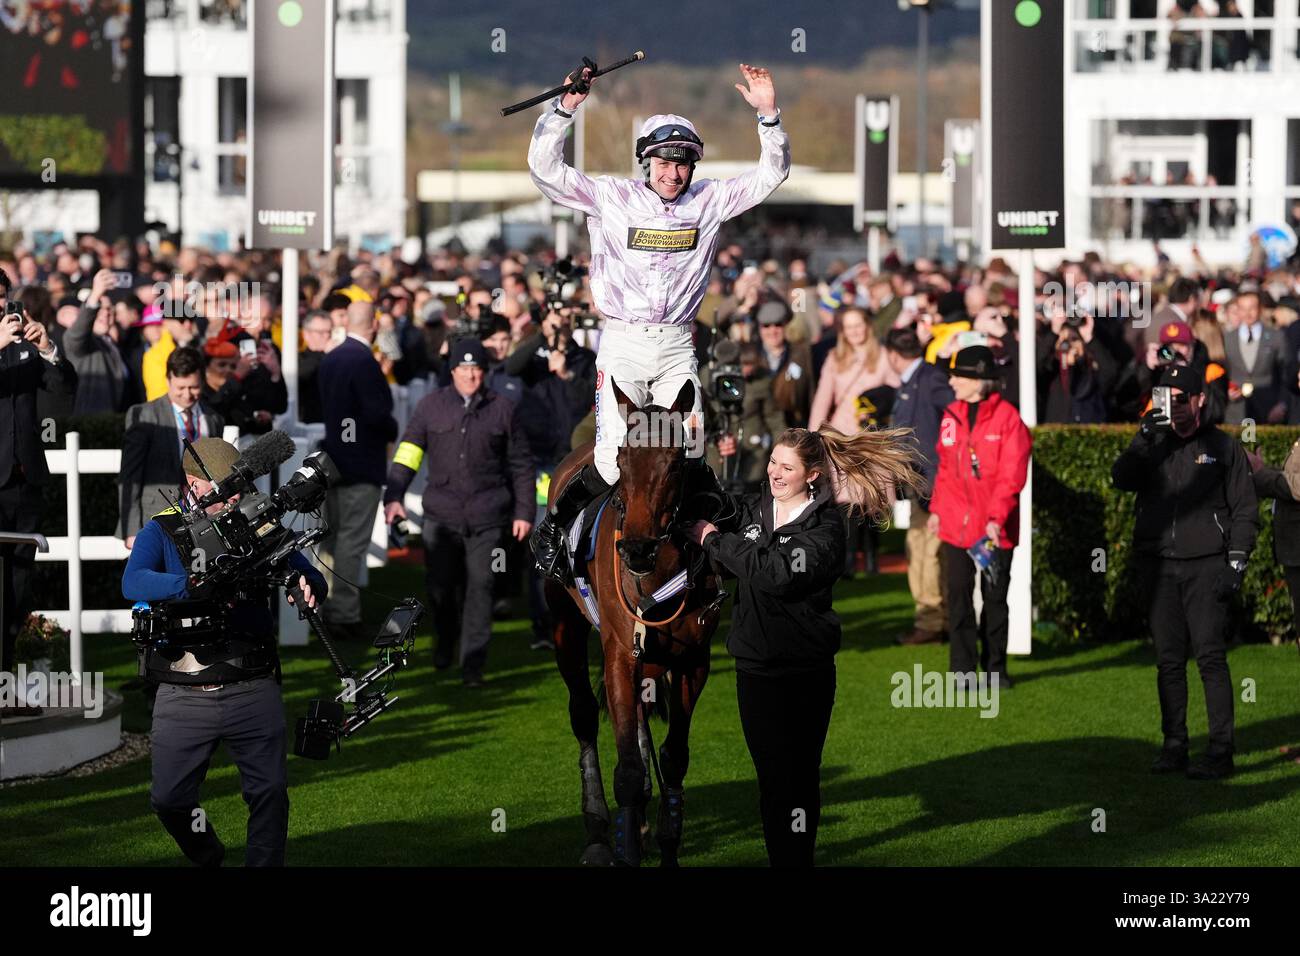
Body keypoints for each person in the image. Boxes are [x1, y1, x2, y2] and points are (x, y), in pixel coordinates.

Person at [526, 61, 791, 581]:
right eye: (664, 162)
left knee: (686, 456)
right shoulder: (609, 197)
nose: (673, 173)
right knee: (610, 462)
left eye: (683, 163)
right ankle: (555, 525)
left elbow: (771, 174)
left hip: (675, 348)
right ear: (645, 162)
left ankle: (706, 557)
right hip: (623, 344)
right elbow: (544, 171)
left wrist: (768, 117)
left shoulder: (710, 200)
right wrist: (563, 109)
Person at [688, 424, 921, 866]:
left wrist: (714, 541)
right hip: (754, 670)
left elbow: (776, 574)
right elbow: (712, 502)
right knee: (772, 779)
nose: (775, 472)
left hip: (804, 674)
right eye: (774, 462)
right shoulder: (755, 510)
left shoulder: (827, 530)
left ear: (812, 475)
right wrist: (706, 450)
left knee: (797, 778)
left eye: (787, 467)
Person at [122, 437, 326, 866]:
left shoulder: (256, 522)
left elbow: (307, 572)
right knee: (169, 799)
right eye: (224, 491)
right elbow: (133, 581)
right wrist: (189, 585)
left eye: (239, 489)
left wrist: (308, 587)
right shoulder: (161, 528)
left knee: (269, 792)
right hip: (183, 687)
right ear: (193, 485)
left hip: (250, 680)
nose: (234, 499)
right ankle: (208, 854)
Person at [1111, 363, 1258, 780]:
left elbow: (1245, 509)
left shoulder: (1224, 447)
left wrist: (1237, 559)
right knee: (1168, 661)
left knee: (1210, 657)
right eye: (1164, 397)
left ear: (1199, 400)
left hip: (1207, 564)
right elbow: (1119, 478)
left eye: (1180, 398)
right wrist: (1143, 439)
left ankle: (1220, 750)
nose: (1172, 407)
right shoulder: (1152, 442)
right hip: (1157, 564)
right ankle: (1174, 745)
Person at [383, 339, 534, 687]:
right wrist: (394, 496)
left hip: (489, 517)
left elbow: (522, 465)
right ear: (452, 371)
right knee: (440, 589)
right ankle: (445, 640)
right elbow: (407, 454)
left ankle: (473, 666)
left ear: (486, 371)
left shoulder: (504, 409)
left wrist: (524, 512)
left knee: (482, 585)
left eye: (477, 368)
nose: (470, 375)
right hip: (441, 515)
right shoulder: (429, 407)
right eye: (463, 368)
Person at [929, 346, 1033, 689]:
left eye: (959, 375)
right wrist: (936, 512)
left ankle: (995, 670)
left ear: (979, 381)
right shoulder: (951, 415)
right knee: (958, 595)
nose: (952, 380)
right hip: (956, 526)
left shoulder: (1009, 421)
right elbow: (944, 469)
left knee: (994, 598)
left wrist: (995, 518)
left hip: (993, 529)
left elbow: (1011, 477)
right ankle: (962, 671)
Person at [0, 283, 77, 686]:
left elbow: (61, 402)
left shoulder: (23, 344)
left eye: (2, 297)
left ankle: (5, 684)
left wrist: (49, 350)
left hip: (24, 481)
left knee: (17, 589)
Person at [318, 301, 398, 642]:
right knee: (350, 542)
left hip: (332, 459)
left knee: (330, 540)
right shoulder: (363, 361)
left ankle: (323, 609)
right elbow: (377, 413)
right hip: (360, 462)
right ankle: (344, 615)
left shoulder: (332, 357)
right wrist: (391, 428)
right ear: (374, 325)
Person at [809, 305, 898, 576]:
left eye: (858, 325)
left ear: (867, 326)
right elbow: (823, 398)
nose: (855, 331)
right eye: (849, 327)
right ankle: (849, 560)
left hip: (872, 438)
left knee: (871, 500)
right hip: (842, 439)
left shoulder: (882, 356)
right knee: (846, 501)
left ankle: (871, 559)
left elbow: (895, 390)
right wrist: (812, 436)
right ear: (843, 332)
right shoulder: (835, 358)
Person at [885, 326, 955, 645]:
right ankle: (935, 619)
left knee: (929, 554)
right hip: (921, 483)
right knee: (920, 552)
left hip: (935, 484)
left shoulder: (929, 379)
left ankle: (933, 622)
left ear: (892, 355)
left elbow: (956, 412)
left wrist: (944, 459)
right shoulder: (917, 379)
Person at [118, 346, 224, 548]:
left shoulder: (213, 418)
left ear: (202, 380)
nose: (187, 395)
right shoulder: (143, 414)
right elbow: (130, 475)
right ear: (168, 380)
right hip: (156, 517)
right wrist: (131, 530)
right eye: (180, 388)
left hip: (204, 518)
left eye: (193, 387)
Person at [64, 268, 131, 415]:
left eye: (109, 309)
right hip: (92, 427)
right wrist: (95, 295)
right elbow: (77, 334)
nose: (105, 314)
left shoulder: (112, 343)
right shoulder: (83, 343)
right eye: (99, 309)